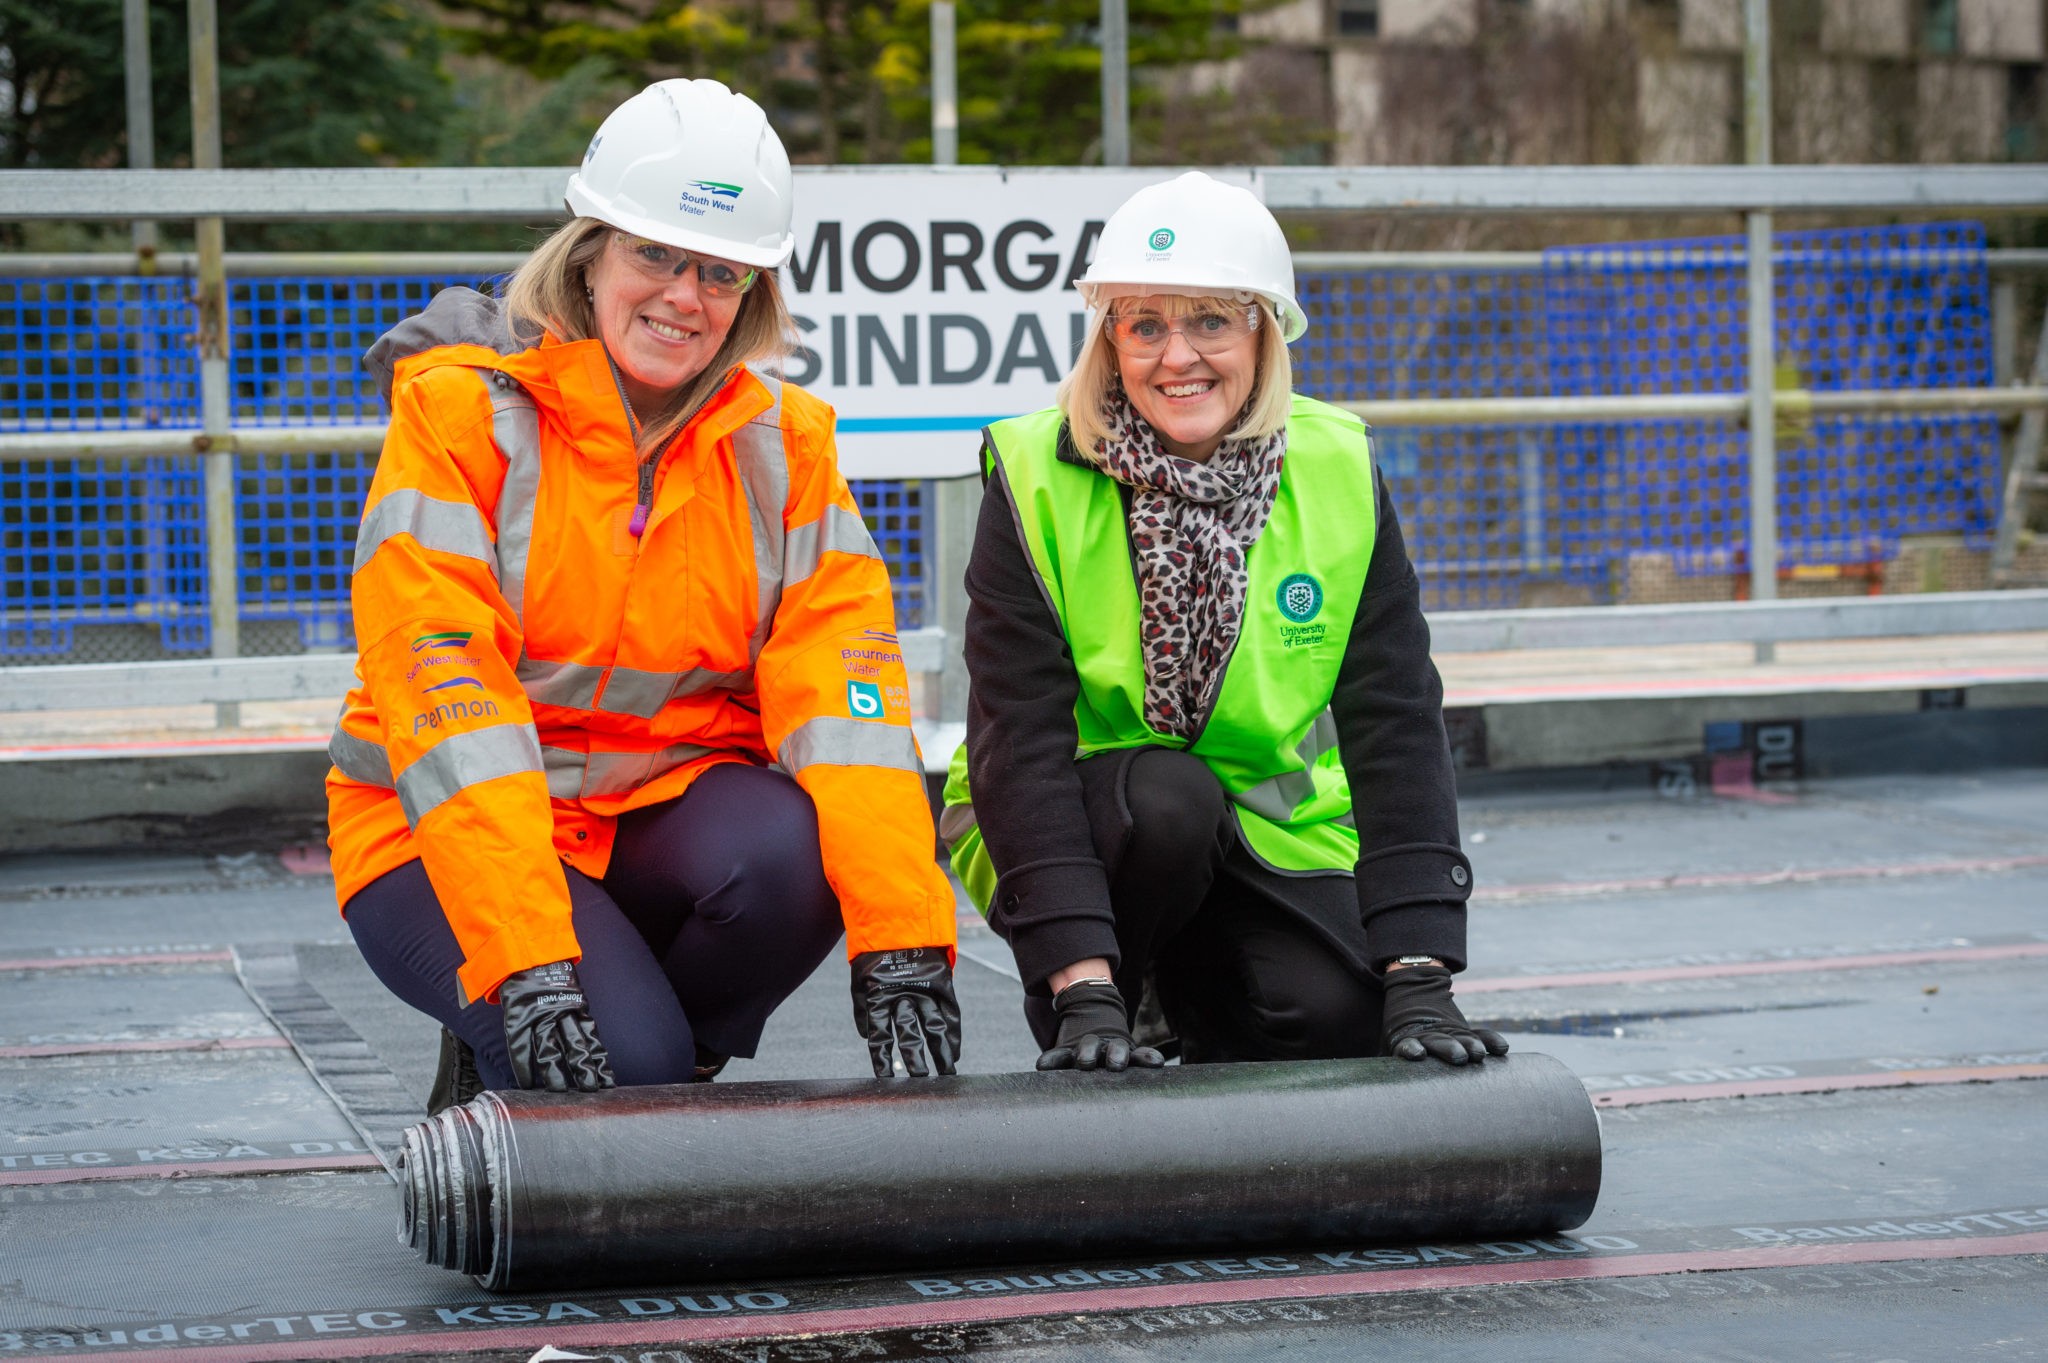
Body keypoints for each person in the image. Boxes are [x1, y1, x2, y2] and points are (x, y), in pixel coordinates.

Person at [327, 79, 960, 1109]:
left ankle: (632, 1038)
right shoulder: (458, 418)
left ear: (752, 292)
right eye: (655, 254)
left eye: (720, 271)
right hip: (440, 835)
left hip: (650, 815)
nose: (684, 296)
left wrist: (903, 939)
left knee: (793, 861)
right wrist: (525, 959)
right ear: (589, 252)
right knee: (628, 1078)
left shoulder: (785, 448)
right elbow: (446, 691)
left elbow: (851, 699)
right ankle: (557, 1032)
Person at [941, 172, 1507, 1074]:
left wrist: (1419, 964)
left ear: (1263, 332)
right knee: (1170, 801)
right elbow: (1020, 740)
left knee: (1339, 1020)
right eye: (1145, 325)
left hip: (1260, 823)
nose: (1178, 357)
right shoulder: (1035, 474)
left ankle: (1187, 1000)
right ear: (1110, 340)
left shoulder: (1336, 468)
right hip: (1083, 820)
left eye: (1211, 321)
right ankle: (1112, 997)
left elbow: (1395, 720)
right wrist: (1078, 980)